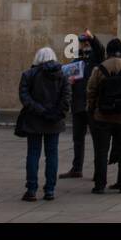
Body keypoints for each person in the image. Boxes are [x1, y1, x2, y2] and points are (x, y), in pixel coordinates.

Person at [86, 38, 121, 194]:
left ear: (108, 51)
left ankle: (99, 185)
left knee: (101, 151)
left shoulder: (99, 68)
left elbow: (91, 91)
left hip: (102, 116)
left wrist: (91, 110)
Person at [18, 46, 70, 201]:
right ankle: (50, 190)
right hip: (54, 121)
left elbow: (24, 97)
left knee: (33, 154)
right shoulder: (62, 75)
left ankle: (32, 189)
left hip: (34, 119)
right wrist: (55, 113)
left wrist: (40, 110)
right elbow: (66, 97)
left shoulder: (29, 74)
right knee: (52, 155)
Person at [61, 30, 103, 179]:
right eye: (82, 42)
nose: (84, 45)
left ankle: (99, 170)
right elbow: (65, 76)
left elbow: (100, 49)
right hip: (78, 104)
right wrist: (68, 81)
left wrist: (92, 38)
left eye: (86, 43)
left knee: (97, 139)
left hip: (91, 106)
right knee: (77, 138)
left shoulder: (95, 59)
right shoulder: (76, 60)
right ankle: (76, 168)